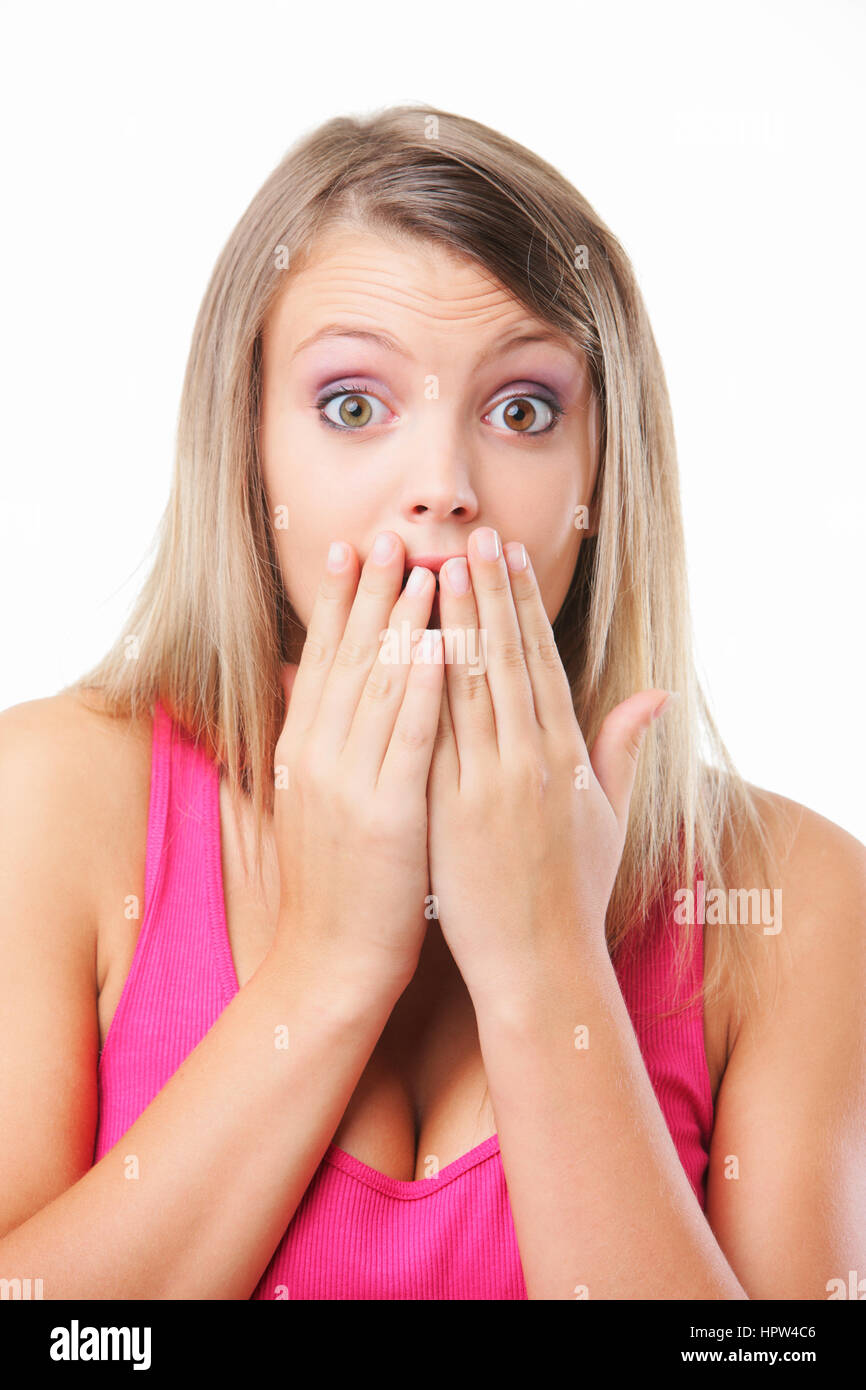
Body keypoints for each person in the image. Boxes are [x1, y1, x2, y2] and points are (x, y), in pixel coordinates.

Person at [1, 104, 863, 1301]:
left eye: (522, 410)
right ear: (246, 450)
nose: (443, 489)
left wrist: (543, 965)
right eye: (353, 405)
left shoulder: (797, 895)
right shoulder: (49, 799)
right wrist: (331, 963)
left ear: (602, 474)